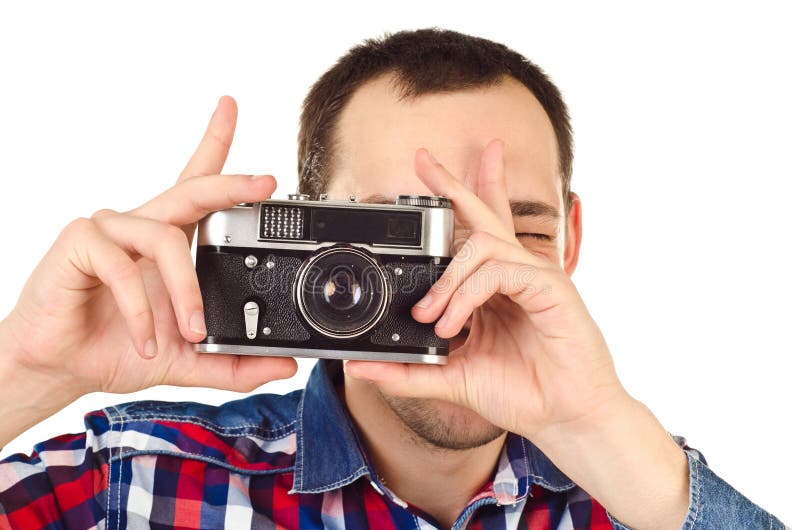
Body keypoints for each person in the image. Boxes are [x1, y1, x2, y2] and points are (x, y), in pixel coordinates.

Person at [0, 28, 786, 530]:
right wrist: (29, 370)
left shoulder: (648, 493)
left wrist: (604, 436)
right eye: (401, 240)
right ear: (303, 241)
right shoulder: (132, 482)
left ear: (570, 242)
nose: (470, 289)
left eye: (524, 235)